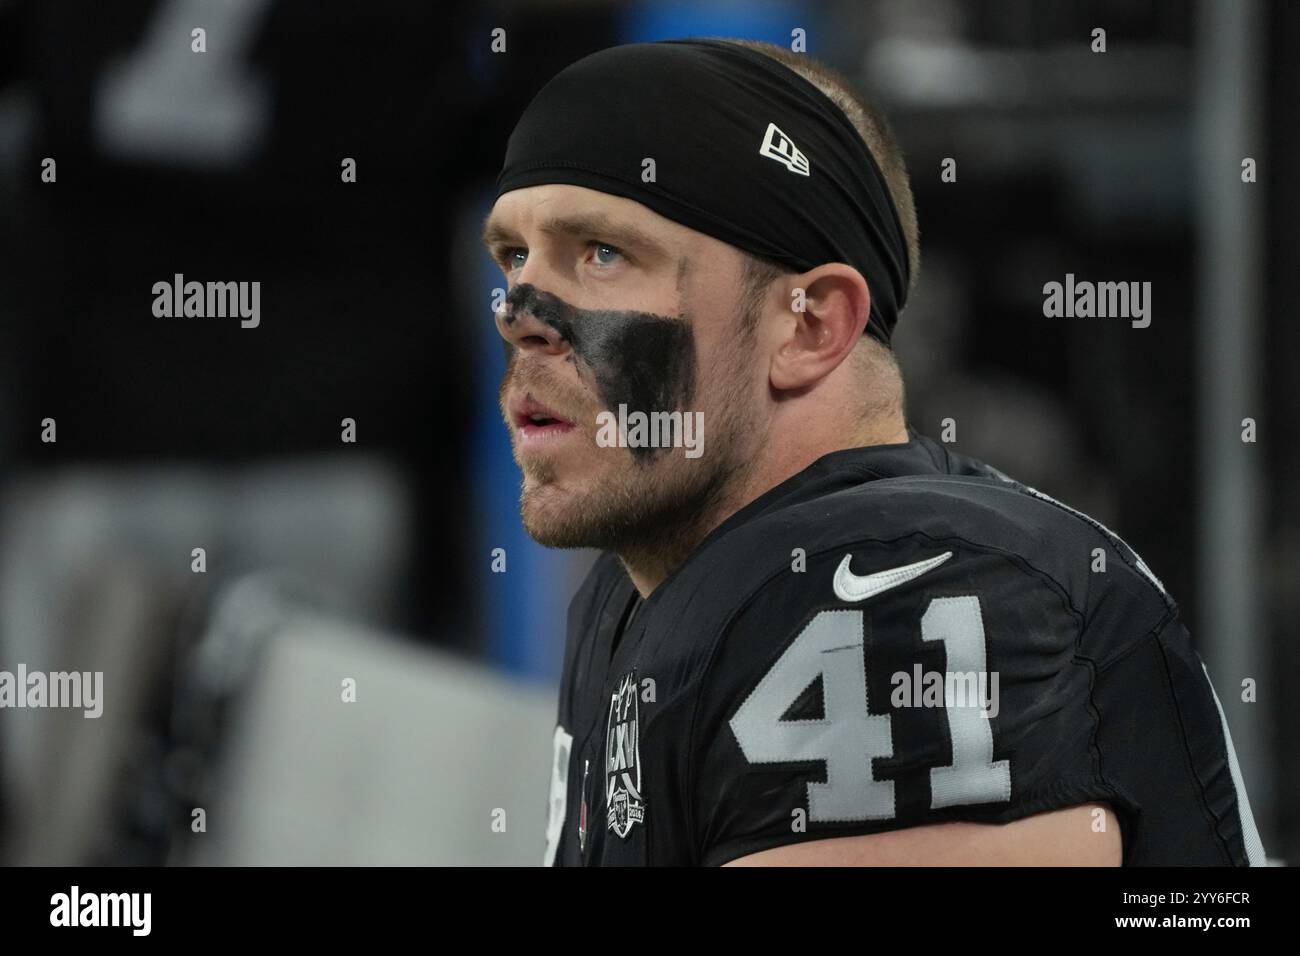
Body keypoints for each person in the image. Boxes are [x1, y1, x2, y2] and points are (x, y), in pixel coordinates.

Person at [483, 37, 1265, 866]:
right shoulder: (632, 587)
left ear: (810, 325)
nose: (520, 312)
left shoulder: (905, 595)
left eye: (603, 253)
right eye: (515, 255)